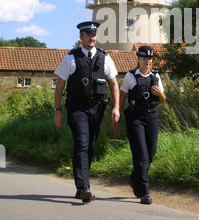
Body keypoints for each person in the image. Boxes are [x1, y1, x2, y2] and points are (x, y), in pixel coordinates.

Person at [54, 21, 120, 203]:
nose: (92, 38)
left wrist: (116, 107)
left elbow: (113, 83)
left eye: (94, 34)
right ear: (81, 37)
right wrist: (57, 110)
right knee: (82, 143)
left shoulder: (104, 58)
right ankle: (84, 187)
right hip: (77, 107)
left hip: (97, 108)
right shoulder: (71, 58)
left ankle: (80, 184)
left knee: (89, 146)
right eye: (88, 35)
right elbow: (60, 85)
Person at [117, 45, 166, 205]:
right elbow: (122, 95)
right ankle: (145, 191)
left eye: (150, 58)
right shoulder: (130, 77)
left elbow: (163, 99)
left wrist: (160, 95)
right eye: (144, 58)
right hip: (135, 117)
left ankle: (134, 178)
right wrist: (116, 113)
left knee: (151, 153)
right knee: (141, 154)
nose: (147, 61)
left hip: (152, 116)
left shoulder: (156, 77)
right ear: (138, 59)